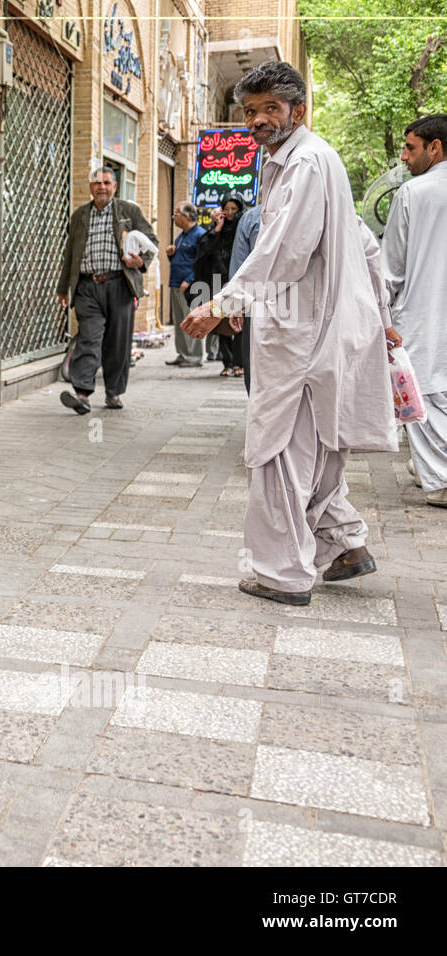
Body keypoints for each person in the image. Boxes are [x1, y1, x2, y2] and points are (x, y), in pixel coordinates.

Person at [182, 61, 398, 606]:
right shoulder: (296, 163)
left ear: (296, 111)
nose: (257, 121)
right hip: (316, 329)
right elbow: (363, 249)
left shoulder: (305, 164)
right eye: (250, 112)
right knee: (318, 449)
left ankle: (282, 574)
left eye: (269, 110)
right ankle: (345, 544)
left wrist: (221, 303)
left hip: (303, 335)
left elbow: (283, 254)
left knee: (278, 449)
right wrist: (380, 315)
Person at [382, 113, 447, 508]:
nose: (405, 158)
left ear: (434, 148)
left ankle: (439, 480)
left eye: (410, 148)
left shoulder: (413, 194)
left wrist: (380, 316)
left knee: (422, 396)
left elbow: (391, 269)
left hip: (422, 315)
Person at [55, 167, 158, 413]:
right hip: (87, 287)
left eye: (106, 182)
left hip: (119, 286)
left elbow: (151, 242)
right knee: (89, 339)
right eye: (96, 183)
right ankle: (82, 393)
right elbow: (70, 254)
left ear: (115, 186)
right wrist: (63, 288)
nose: (101, 187)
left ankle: (113, 392)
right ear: (90, 187)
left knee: (117, 342)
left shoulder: (129, 211)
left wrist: (140, 262)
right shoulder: (79, 215)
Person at [194, 195, 244, 376]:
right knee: (222, 323)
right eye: (227, 209)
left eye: (234, 209)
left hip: (239, 280)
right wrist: (218, 229)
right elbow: (205, 251)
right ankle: (227, 363)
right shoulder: (216, 230)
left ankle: (239, 363)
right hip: (218, 281)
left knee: (239, 323)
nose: (230, 213)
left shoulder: (243, 228)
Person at [164, 202, 206, 368]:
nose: (173, 217)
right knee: (180, 321)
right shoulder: (181, 236)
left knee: (192, 320)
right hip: (176, 282)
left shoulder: (199, 235)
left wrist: (189, 279)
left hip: (190, 286)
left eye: (176, 214)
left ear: (187, 216)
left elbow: (201, 262)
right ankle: (183, 353)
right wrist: (171, 255)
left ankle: (194, 356)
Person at [228, 203, 262, 393]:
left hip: (257, 304)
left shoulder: (251, 218)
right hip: (299, 307)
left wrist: (236, 305)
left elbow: (240, 266)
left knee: (256, 367)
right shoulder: (311, 211)